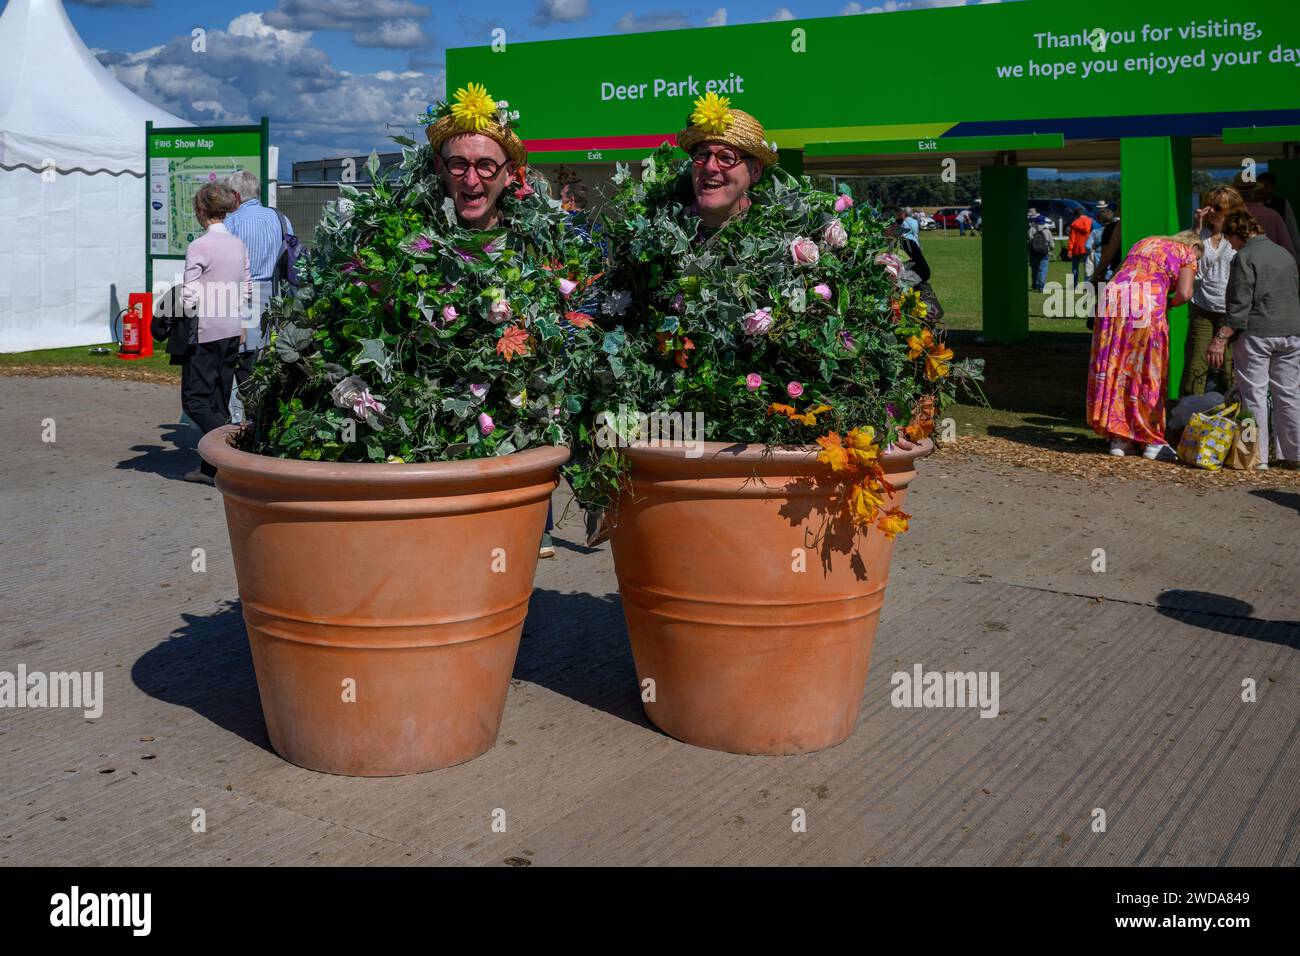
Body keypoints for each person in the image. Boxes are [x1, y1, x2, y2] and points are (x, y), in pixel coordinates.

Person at [1086, 229, 1203, 460]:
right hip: (1146, 305)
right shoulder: (1187, 253)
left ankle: (1119, 438)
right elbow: (1185, 292)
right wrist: (1169, 303)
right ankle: (1151, 441)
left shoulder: (1144, 242)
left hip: (1113, 302)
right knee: (1148, 369)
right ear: (1195, 248)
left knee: (1116, 367)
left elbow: (1122, 272)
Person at [1207, 211, 1300, 469]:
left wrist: (1221, 336)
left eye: (1229, 238)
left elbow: (1240, 303)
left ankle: (1255, 455)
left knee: (1253, 395)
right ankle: (1294, 453)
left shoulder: (1244, 257)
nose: (1229, 244)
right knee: (1289, 394)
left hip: (1257, 333)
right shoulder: (1285, 254)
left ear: (1238, 234)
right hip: (1292, 332)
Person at [179, 184, 252, 484]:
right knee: (219, 398)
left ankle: (231, 437)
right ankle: (211, 469)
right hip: (232, 328)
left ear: (201, 211)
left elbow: (189, 295)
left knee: (195, 400)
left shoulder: (199, 246)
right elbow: (246, 287)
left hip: (206, 330)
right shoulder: (237, 244)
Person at [223, 170, 294, 425]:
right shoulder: (280, 219)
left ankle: (249, 422)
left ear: (236, 195)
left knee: (244, 364)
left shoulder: (230, 224)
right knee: (269, 361)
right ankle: (268, 419)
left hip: (242, 296)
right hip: (274, 299)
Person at [1180, 186, 1245, 396]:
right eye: (1208, 206)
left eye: (1218, 207)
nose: (1212, 211)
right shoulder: (1202, 234)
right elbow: (1186, 258)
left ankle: (1234, 417)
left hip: (1230, 310)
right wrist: (1196, 228)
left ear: (1231, 209)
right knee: (1195, 366)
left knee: (1230, 369)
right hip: (1203, 307)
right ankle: (1188, 417)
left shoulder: (1238, 236)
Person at [1232, 172, 1296, 258]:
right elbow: (1289, 249)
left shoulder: (1228, 216)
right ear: (1256, 191)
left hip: (1238, 267)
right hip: (1271, 265)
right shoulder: (1273, 215)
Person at [1255, 172, 1300, 253]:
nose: (1261, 189)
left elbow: (1292, 227)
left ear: (1272, 188)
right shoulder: (1252, 205)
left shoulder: (1282, 203)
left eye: (1265, 186)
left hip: (1279, 249)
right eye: (1258, 186)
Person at [1027, 208, 1053, 293]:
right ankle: (1041, 287)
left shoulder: (1031, 229)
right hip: (1044, 253)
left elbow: (1029, 241)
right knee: (1042, 270)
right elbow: (1052, 244)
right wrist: (1050, 250)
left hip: (1033, 253)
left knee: (1034, 269)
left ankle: (1035, 284)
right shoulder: (1047, 231)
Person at [1068, 208, 1092, 285]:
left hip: (1077, 248)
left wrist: (1070, 250)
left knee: (1075, 267)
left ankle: (1074, 284)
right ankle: (1087, 284)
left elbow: (1072, 238)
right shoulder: (1089, 221)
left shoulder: (1074, 224)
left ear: (1076, 215)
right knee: (1087, 266)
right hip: (1087, 246)